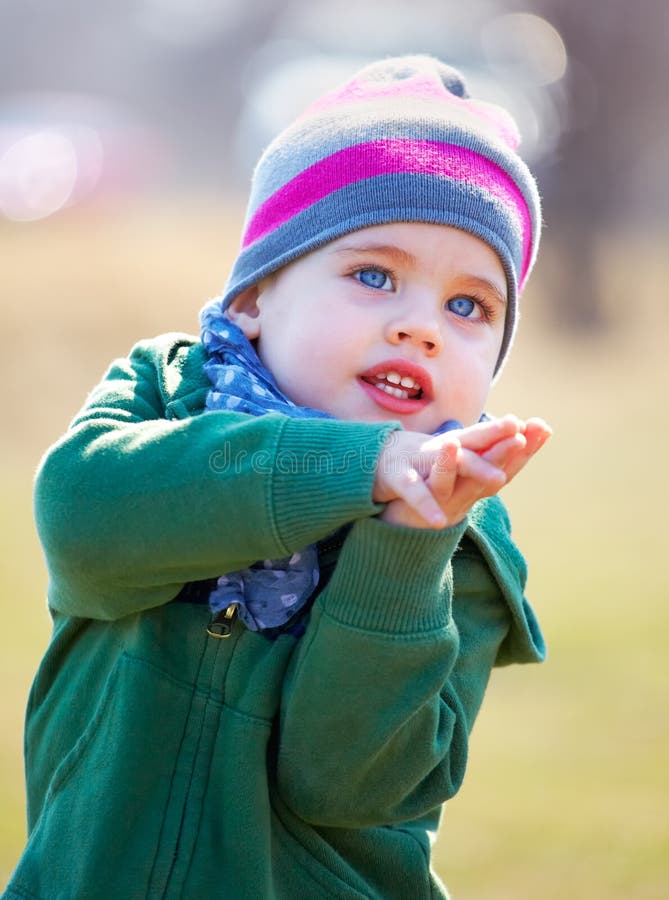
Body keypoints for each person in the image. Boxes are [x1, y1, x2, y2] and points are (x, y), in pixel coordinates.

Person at [4, 55, 552, 899]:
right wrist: (356, 467)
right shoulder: (165, 397)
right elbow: (83, 521)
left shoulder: (460, 536)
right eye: (374, 276)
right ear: (256, 296)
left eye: (468, 306)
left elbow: (347, 785)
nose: (421, 328)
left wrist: (404, 548)